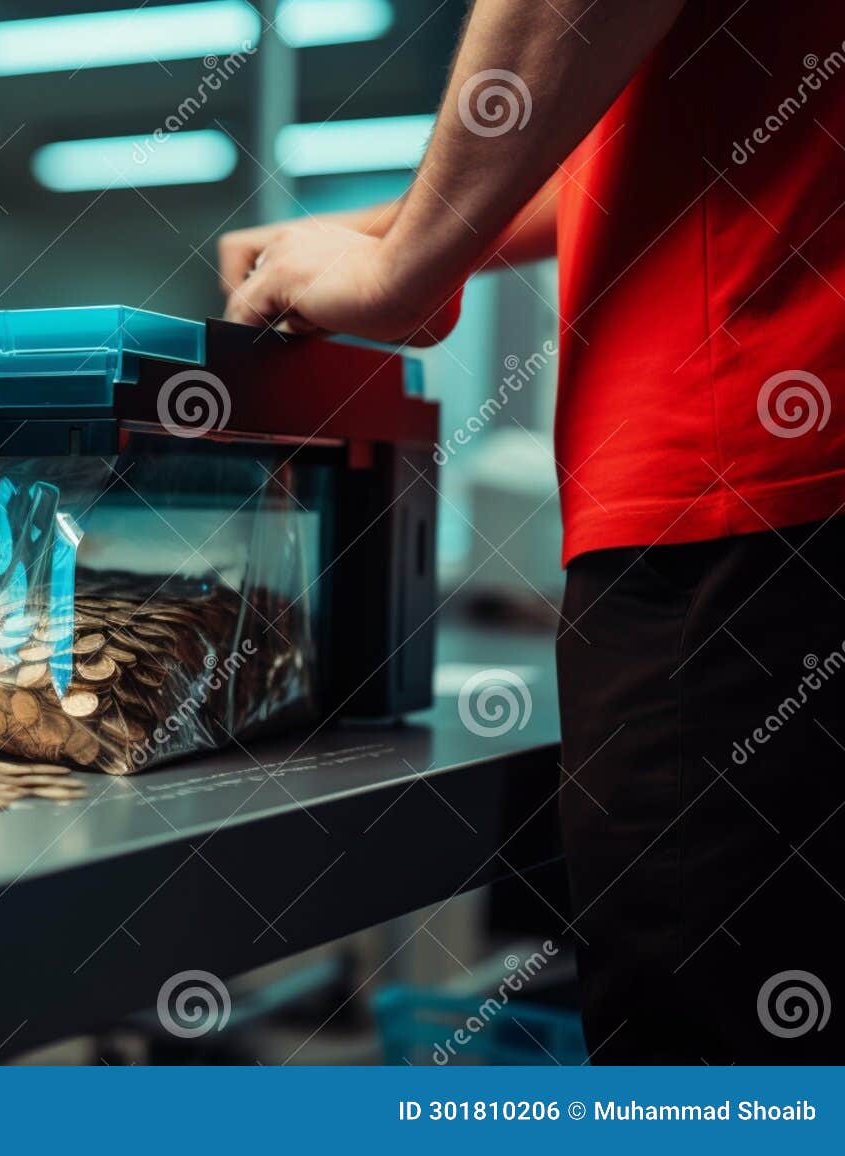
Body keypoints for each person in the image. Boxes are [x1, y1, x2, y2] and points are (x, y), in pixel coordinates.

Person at [219, 0, 844, 1063]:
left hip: (745, 483)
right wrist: (391, 232)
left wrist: (408, 263)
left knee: (709, 1068)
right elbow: (663, 133)